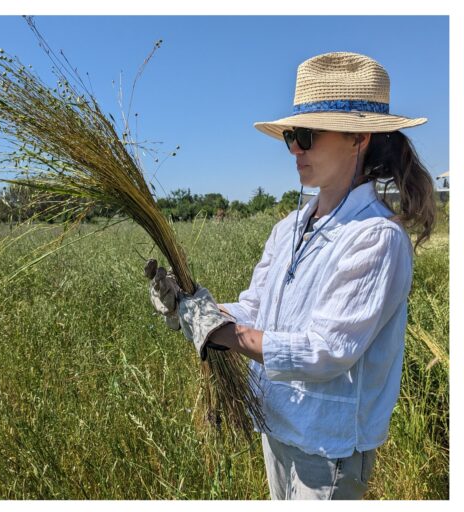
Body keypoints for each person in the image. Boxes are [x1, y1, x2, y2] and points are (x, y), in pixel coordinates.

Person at [146, 52, 436, 500]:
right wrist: (193, 308)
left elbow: (326, 351)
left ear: (359, 138)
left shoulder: (376, 238)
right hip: (277, 423)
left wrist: (224, 334)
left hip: (328, 445)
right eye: (290, 137)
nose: (296, 149)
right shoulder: (290, 227)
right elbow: (256, 309)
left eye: (307, 135)